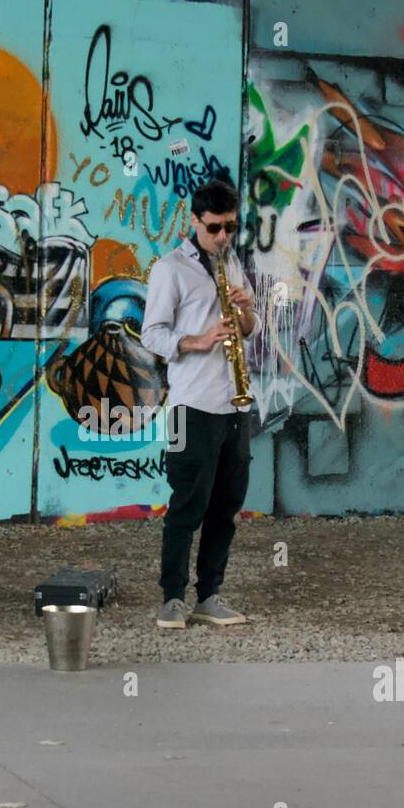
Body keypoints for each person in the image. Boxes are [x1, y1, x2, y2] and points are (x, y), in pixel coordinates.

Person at [140, 179, 258, 629]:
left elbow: (252, 328)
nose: (223, 237)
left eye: (230, 227)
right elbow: (152, 333)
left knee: (226, 507)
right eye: (214, 229)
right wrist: (199, 339)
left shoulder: (232, 265)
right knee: (187, 504)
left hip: (234, 406)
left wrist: (246, 310)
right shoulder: (170, 269)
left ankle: (210, 595)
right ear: (195, 221)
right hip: (191, 406)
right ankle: (172, 598)